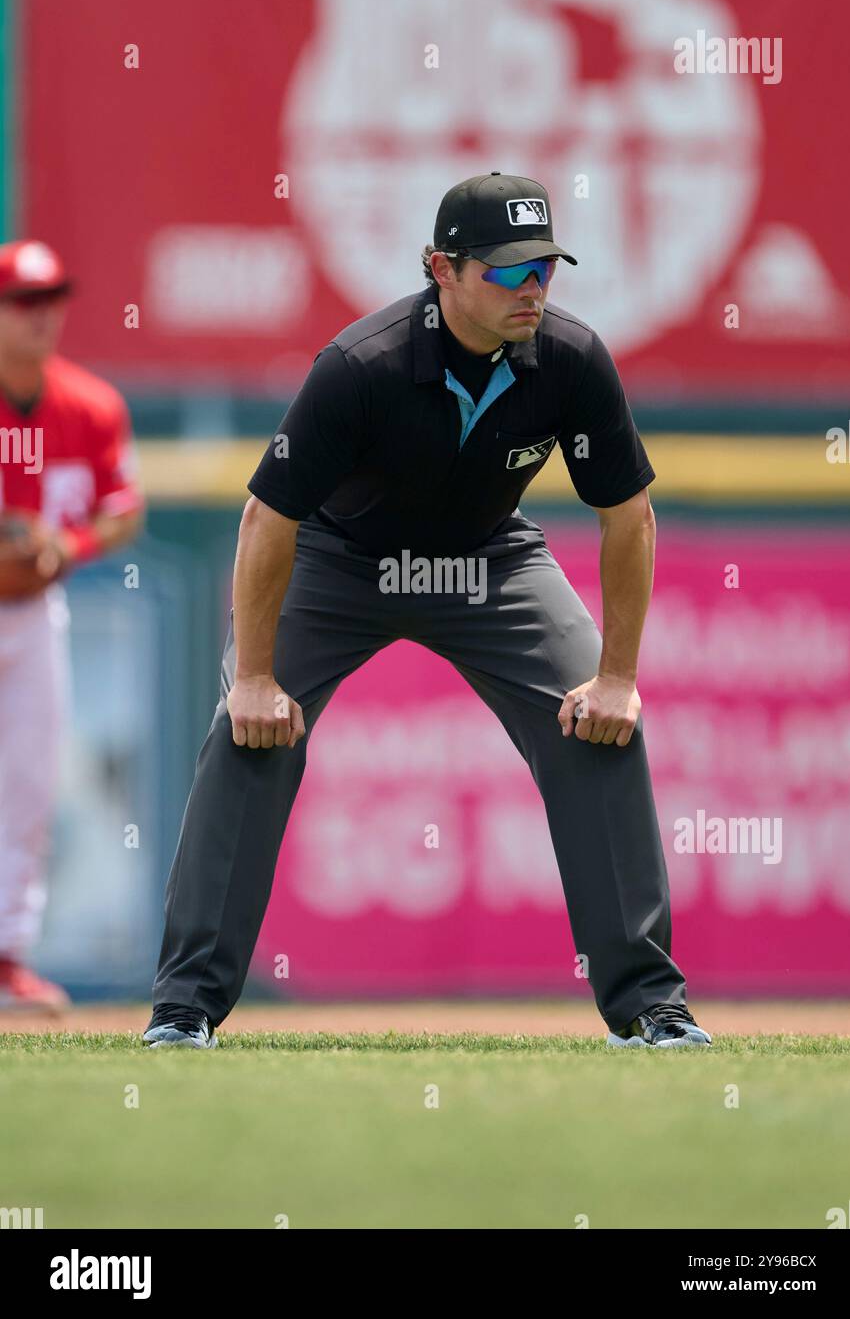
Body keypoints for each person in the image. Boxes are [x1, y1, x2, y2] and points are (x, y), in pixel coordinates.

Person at [144, 173, 711, 1050]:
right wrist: (254, 678)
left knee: (597, 725)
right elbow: (268, 518)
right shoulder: (359, 367)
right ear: (441, 268)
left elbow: (627, 515)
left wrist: (619, 678)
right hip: (342, 561)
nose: (533, 290)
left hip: (487, 558)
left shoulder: (570, 359)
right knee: (251, 731)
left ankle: (649, 1008)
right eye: (509, 271)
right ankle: (184, 1010)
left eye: (545, 270)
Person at [0, 240, 144, 1010]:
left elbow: (123, 511)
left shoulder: (89, 404)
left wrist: (71, 544)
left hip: (32, 612)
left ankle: (5, 957)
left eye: (51, 299)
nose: (40, 316)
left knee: (26, 785)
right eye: (23, 301)